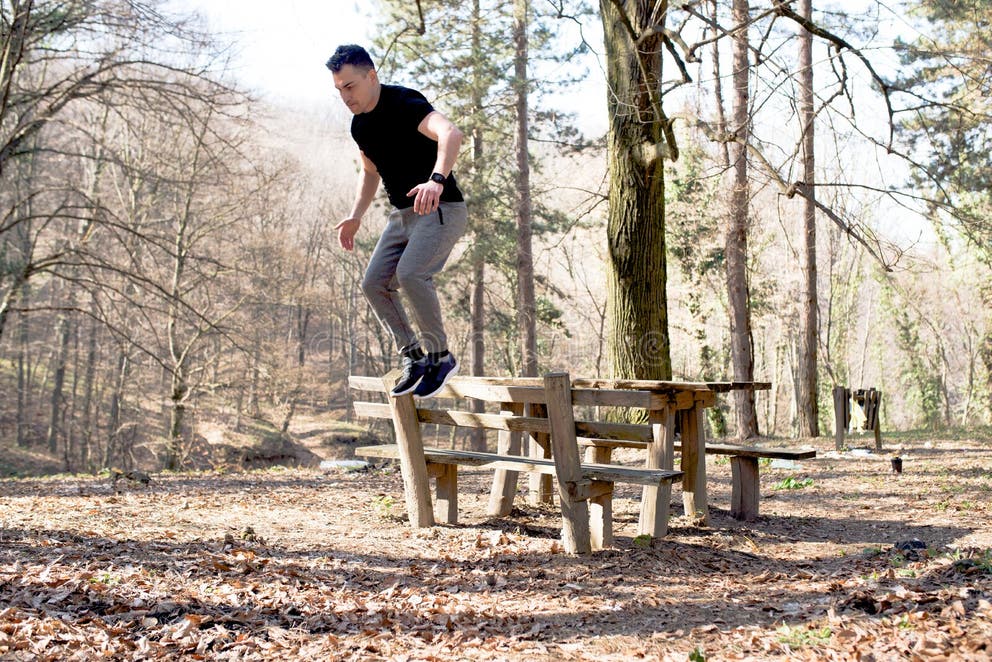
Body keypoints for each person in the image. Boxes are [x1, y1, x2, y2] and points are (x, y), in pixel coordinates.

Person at [326, 44, 467, 398]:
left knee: (410, 274)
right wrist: (355, 216)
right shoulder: (360, 126)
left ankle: (440, 356)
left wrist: (436, 180)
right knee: (373, 283)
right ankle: (414, 357)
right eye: (339, 89)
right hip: (402, 216)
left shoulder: (404, 102)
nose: (345, 96)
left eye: (350, 86)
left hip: (441, 208)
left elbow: (450, 133)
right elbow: (369, 172)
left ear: (371, 76)